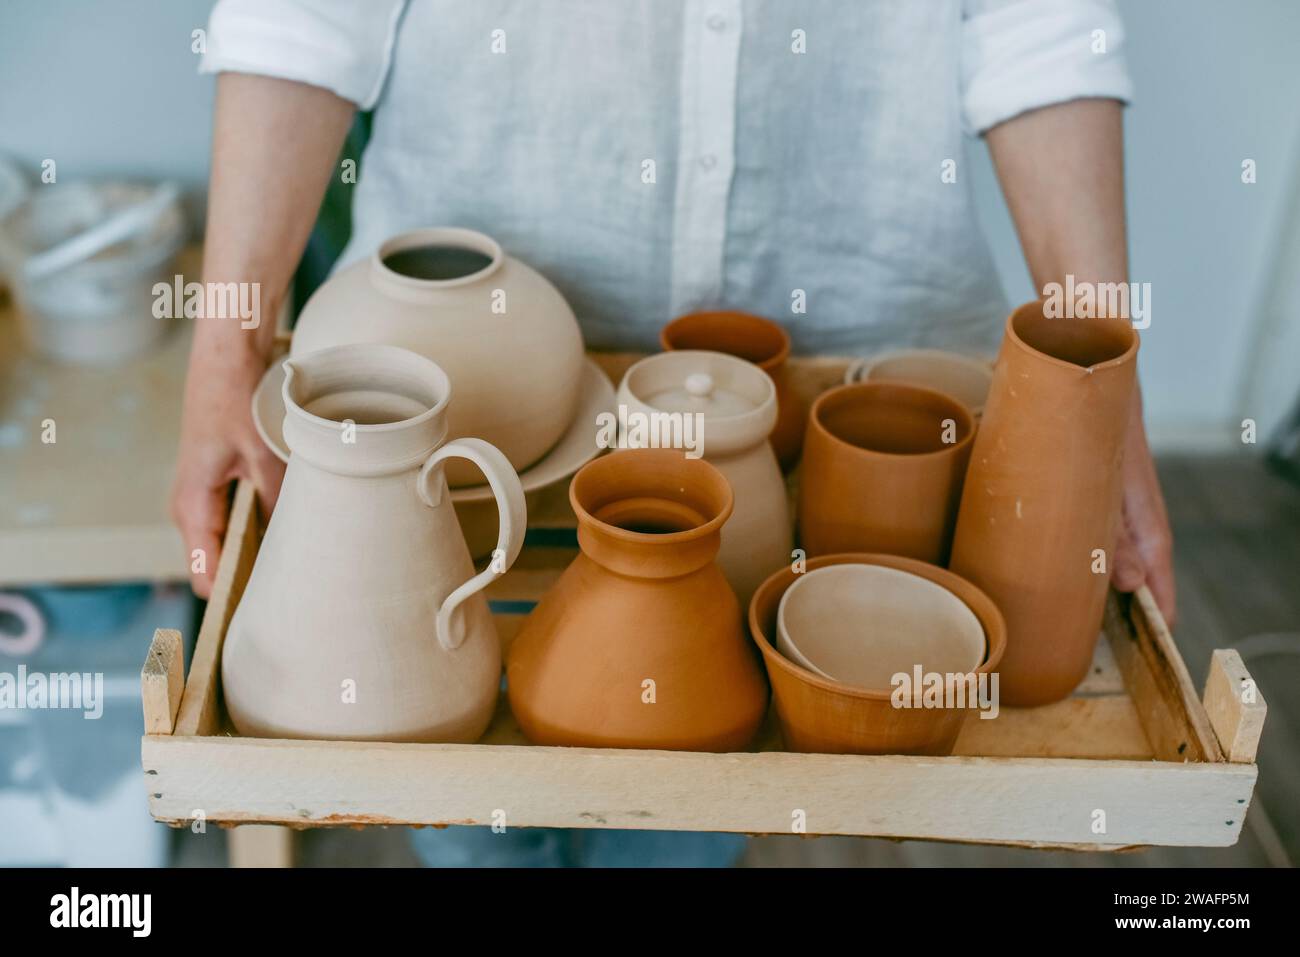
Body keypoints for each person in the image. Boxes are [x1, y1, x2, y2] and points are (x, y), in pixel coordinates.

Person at [173, 0, 1175, 867]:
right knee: (461, 802)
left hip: (836, 345)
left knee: (688, 807)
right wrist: (226, 347)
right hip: (461, 389)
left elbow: (1042, 28)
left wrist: (1106, 394)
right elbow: (298, 18)